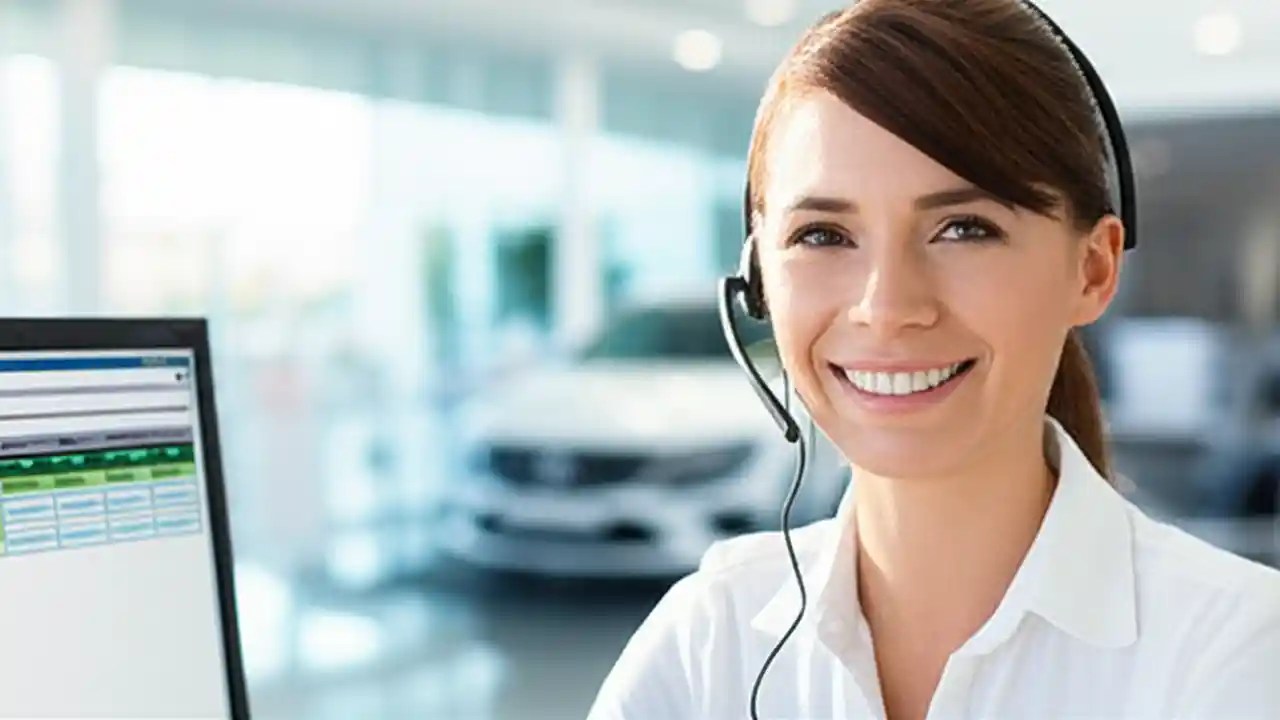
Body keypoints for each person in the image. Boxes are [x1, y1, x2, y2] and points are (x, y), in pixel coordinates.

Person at [586, 1, 1280, 718]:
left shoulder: (1236, 653)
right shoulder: (707, 642)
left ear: (1093, 269)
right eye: (823, 235)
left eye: (963, 228)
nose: (886, 306)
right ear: (759, 281)